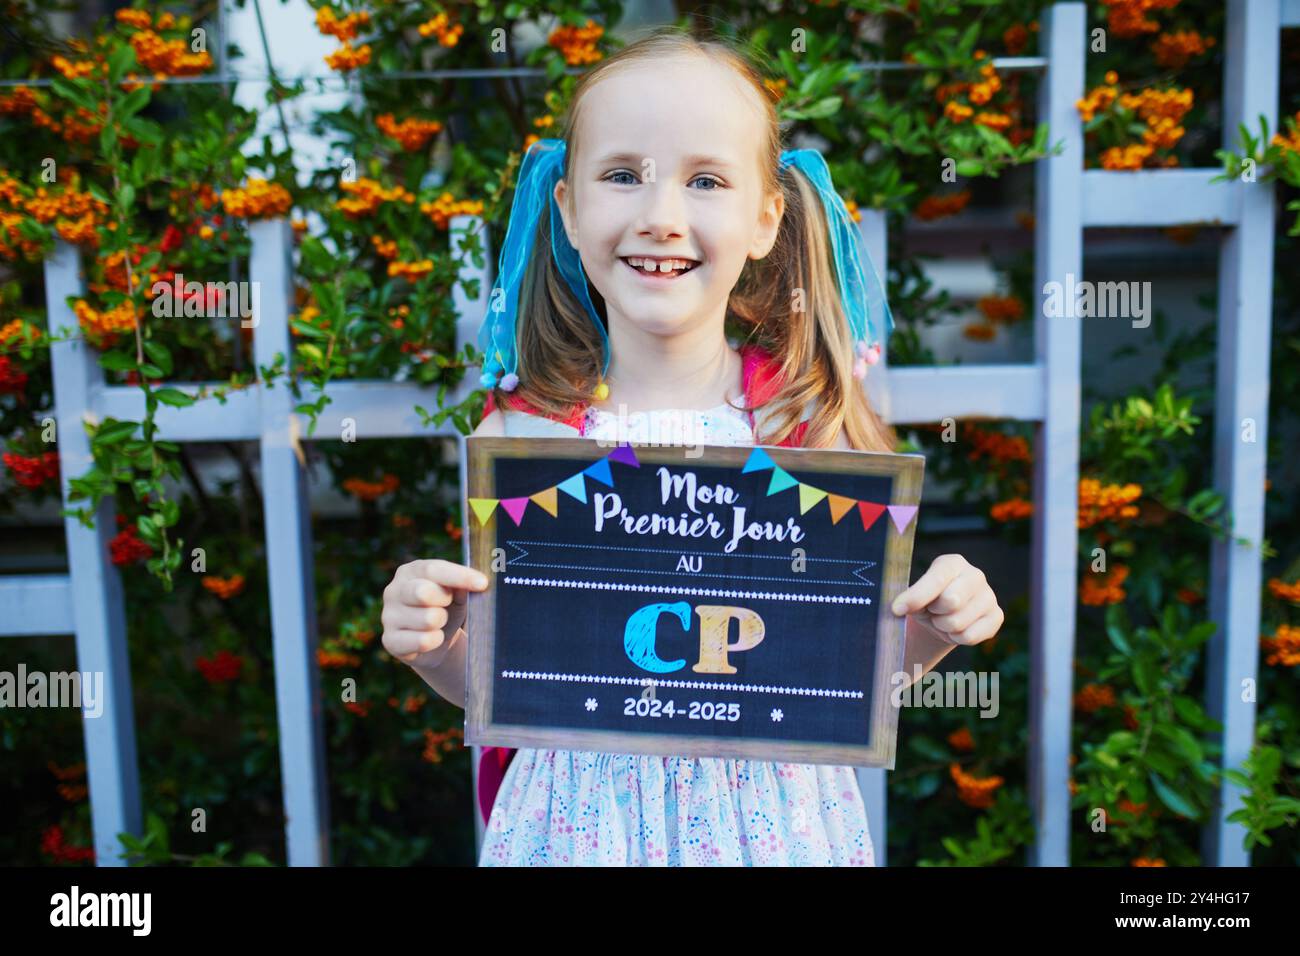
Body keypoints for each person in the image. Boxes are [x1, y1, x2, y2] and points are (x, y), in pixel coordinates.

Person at [381, 27, 1004, 866]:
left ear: (763, 220)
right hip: (580, 830)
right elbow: (510, 688)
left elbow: (845, 680)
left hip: (772, 831)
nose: (660, 216)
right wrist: (435, 646)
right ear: (566, 209)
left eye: (704, 180)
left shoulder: (804, 423)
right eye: (623, 175)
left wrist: (938, 630)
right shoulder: (522, 438)